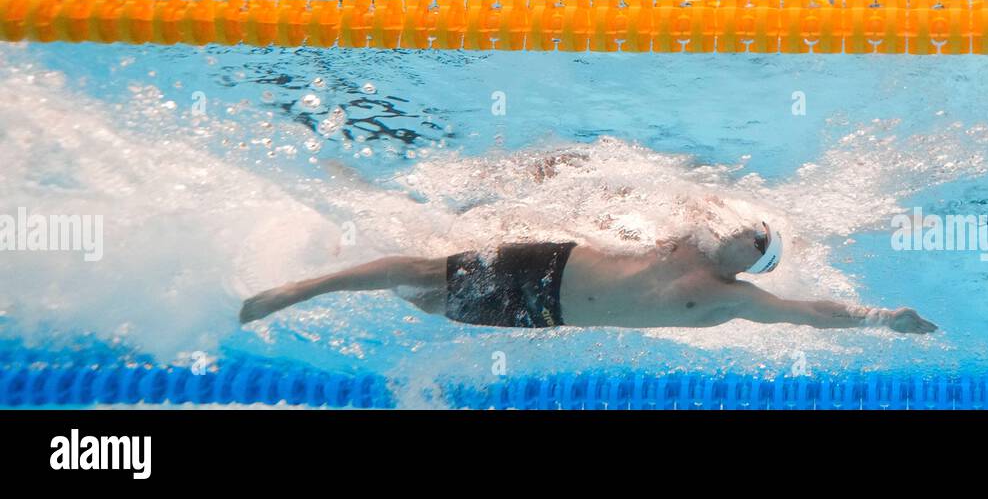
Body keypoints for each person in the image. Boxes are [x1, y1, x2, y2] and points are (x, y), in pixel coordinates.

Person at [238, 221, 936, 333]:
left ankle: (346, 243)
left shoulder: (729, 302)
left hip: (544, 313)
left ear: (752, 262)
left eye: (751, 240)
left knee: (426, 302)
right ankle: (296, 290)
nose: (735, 231)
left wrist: (883, 319)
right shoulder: (689, 236)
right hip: (544, 262)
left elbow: (810, 314)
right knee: (428, 270)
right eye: (743, 225)